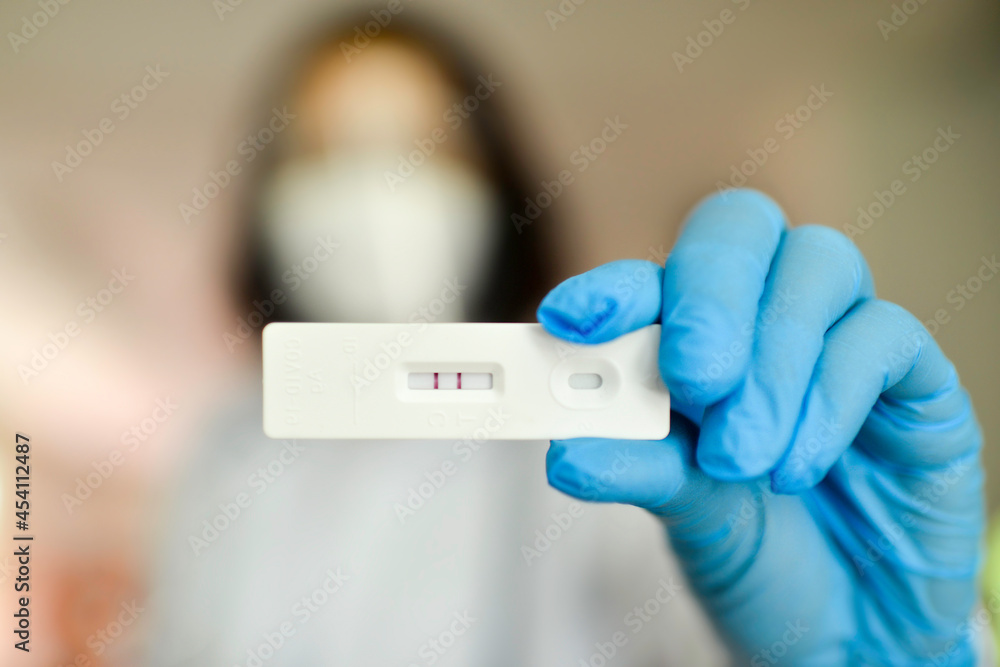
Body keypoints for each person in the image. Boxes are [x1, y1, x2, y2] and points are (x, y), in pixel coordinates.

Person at [148, 12, 988, 666]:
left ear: (498, 188)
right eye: (326, 152)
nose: (373, 189)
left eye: (422, 148)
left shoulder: (613, 434)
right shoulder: (222, 452)